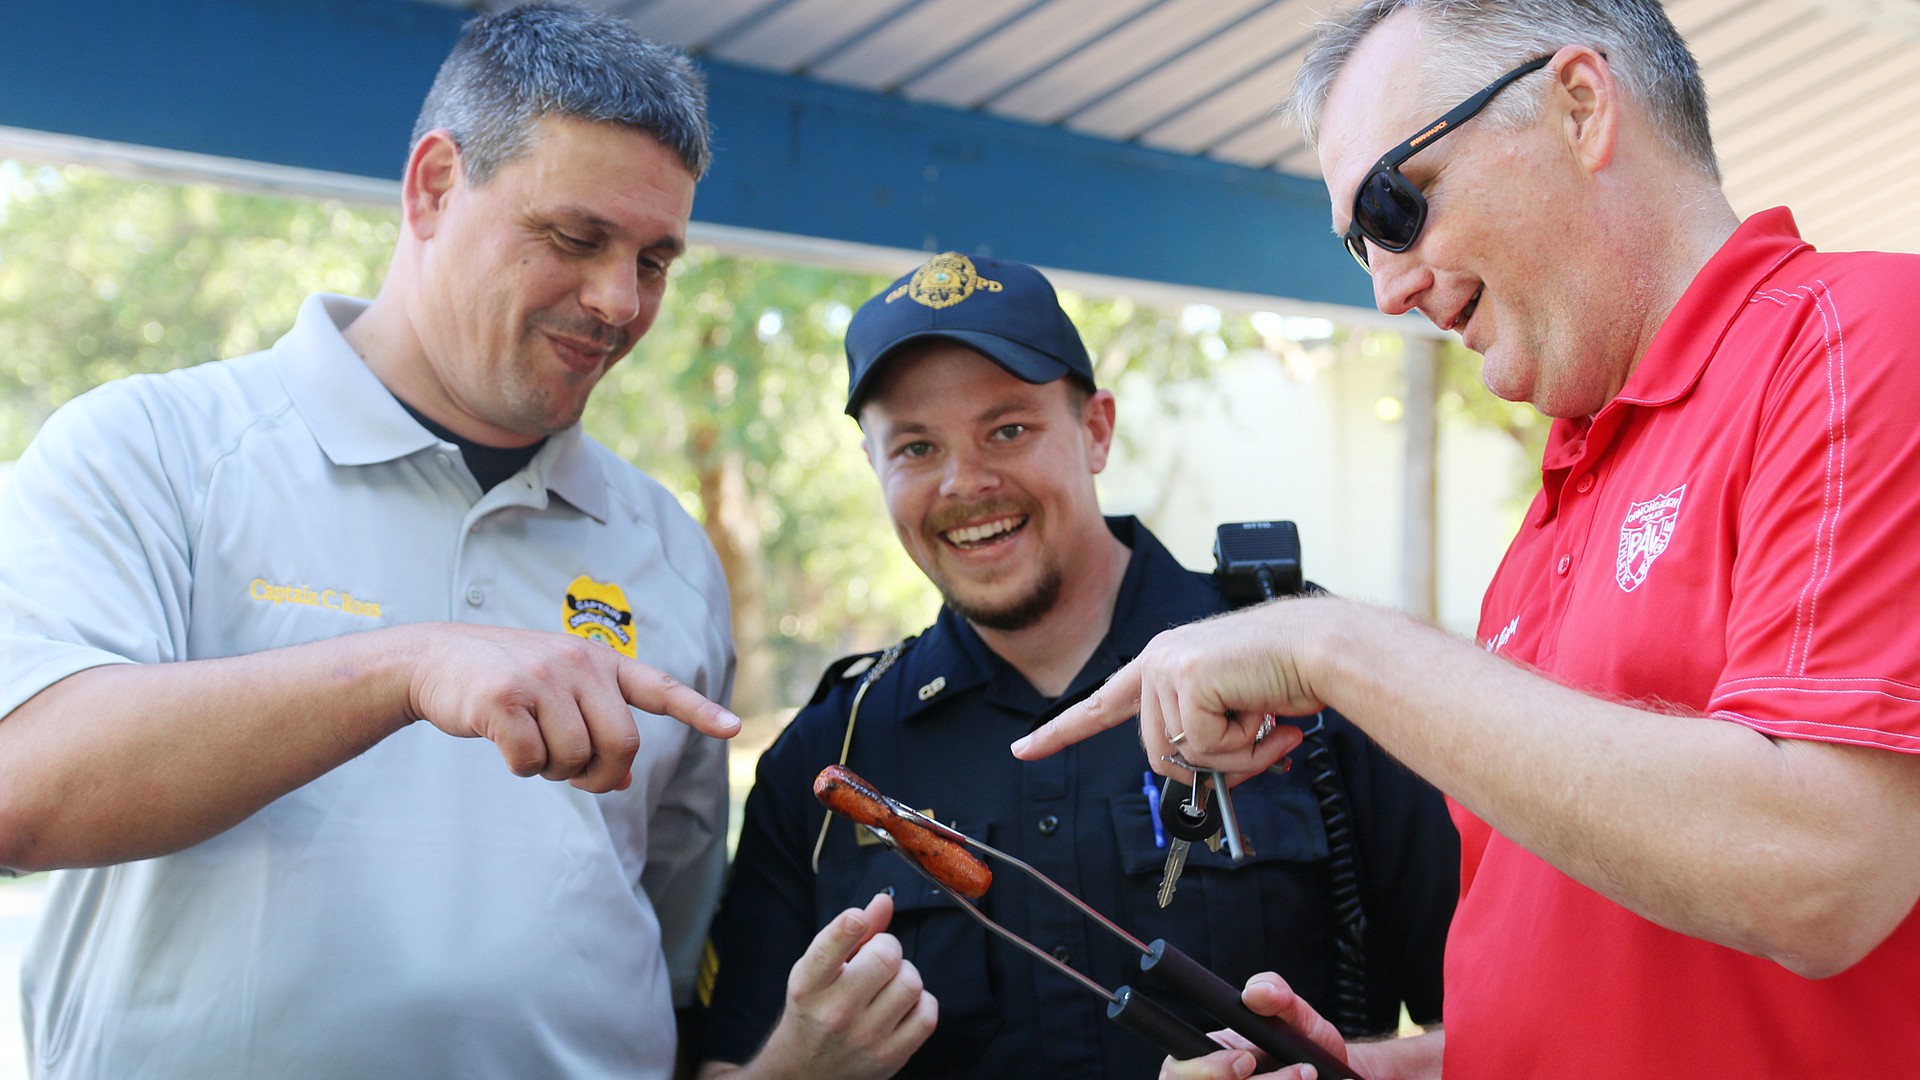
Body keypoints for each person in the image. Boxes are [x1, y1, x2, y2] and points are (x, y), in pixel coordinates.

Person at [1015, 1, 1920, 1078]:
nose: (1391, 289)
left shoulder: (1853, 340)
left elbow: (1821, 874)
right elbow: (1603, 986)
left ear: (1580, 108)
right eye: (1359, 247)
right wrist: (1386, 1068)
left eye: (1398, 207)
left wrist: (1332, 646)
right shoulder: (1546, 529)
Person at [0, 5, 741, 1077]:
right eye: (575, 239)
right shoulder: (157, 450)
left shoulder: (668, 549)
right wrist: (406, 664)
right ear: (433, 186)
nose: (618, 301)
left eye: (655, 260)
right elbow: (24, 789)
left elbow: (669, 935)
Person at [697, 253, 1458, 1079]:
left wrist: (1350, 1071)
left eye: (1009, 430)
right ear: (876, 467)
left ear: (1095, 430)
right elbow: (727, 1062)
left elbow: (1521, 1021)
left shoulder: (1303, 667)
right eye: (916, 447)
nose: (965, 482)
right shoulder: (825, 754)